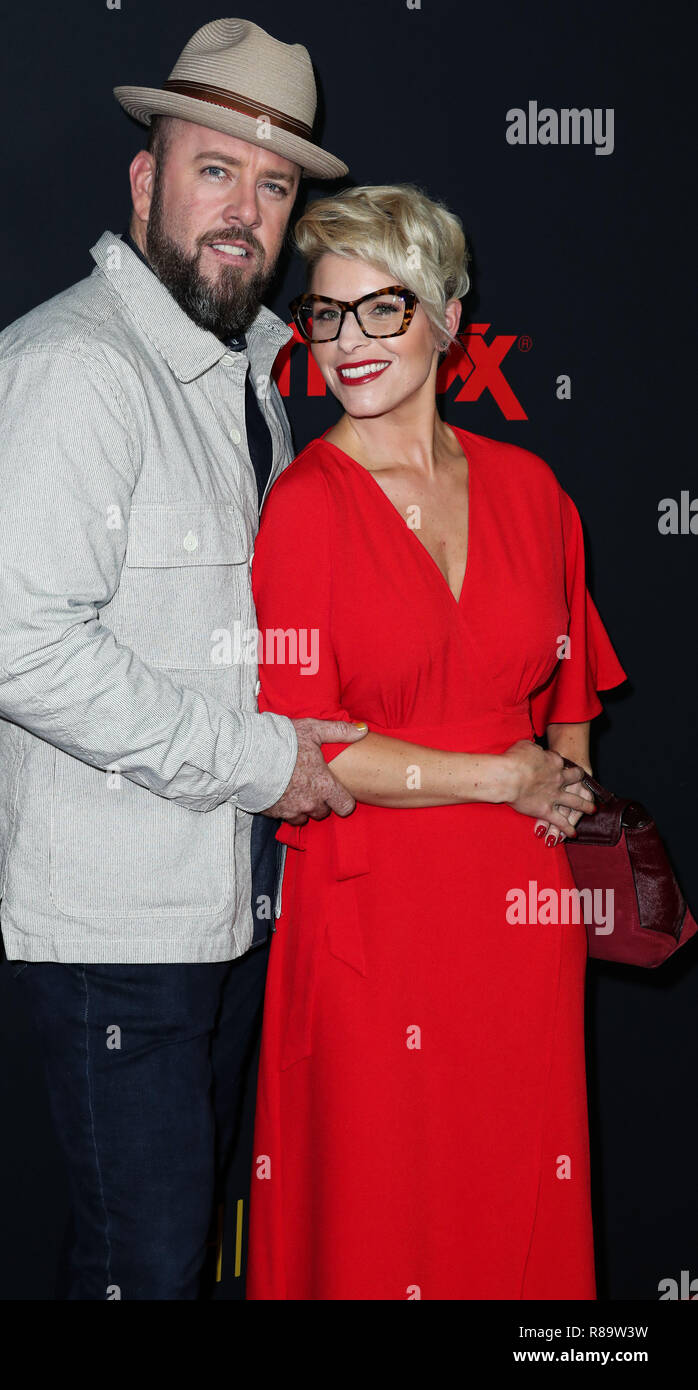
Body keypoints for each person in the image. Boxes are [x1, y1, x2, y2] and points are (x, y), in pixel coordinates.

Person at [0, 17, 367, 1300]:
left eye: (273, 183)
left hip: (219, 901)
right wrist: (259, 762)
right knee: (148, 1264)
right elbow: (12, 647)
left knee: (180, 1255)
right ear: (145, 180)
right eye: (214, 168)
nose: (244, 209)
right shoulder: (71, 369)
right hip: (115, 920)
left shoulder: (251, 379)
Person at [246, 183, 628, 1300]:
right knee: (382, 1214)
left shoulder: (530, 489)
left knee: (511, 1206)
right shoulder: (306, 507)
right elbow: (308, 751)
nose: (348, 343)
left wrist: (565, 789)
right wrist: (500, 775)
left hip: (516, 919)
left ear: (448, 317)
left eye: (382, 309)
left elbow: (573, 687)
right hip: (372, 916)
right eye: (324, 314)